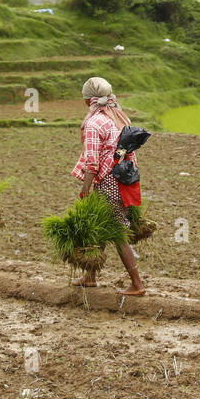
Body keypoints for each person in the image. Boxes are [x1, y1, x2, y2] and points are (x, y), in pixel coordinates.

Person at [72, 77, 146, 294]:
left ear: (88, 101)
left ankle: (137, 284)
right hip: (124, 180)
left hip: (108, 183)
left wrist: (85, 189)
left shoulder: (94, 123)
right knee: (101, 225)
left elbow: (92, 163)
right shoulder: (120, 116)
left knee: (117, 232)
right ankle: (90, 275)